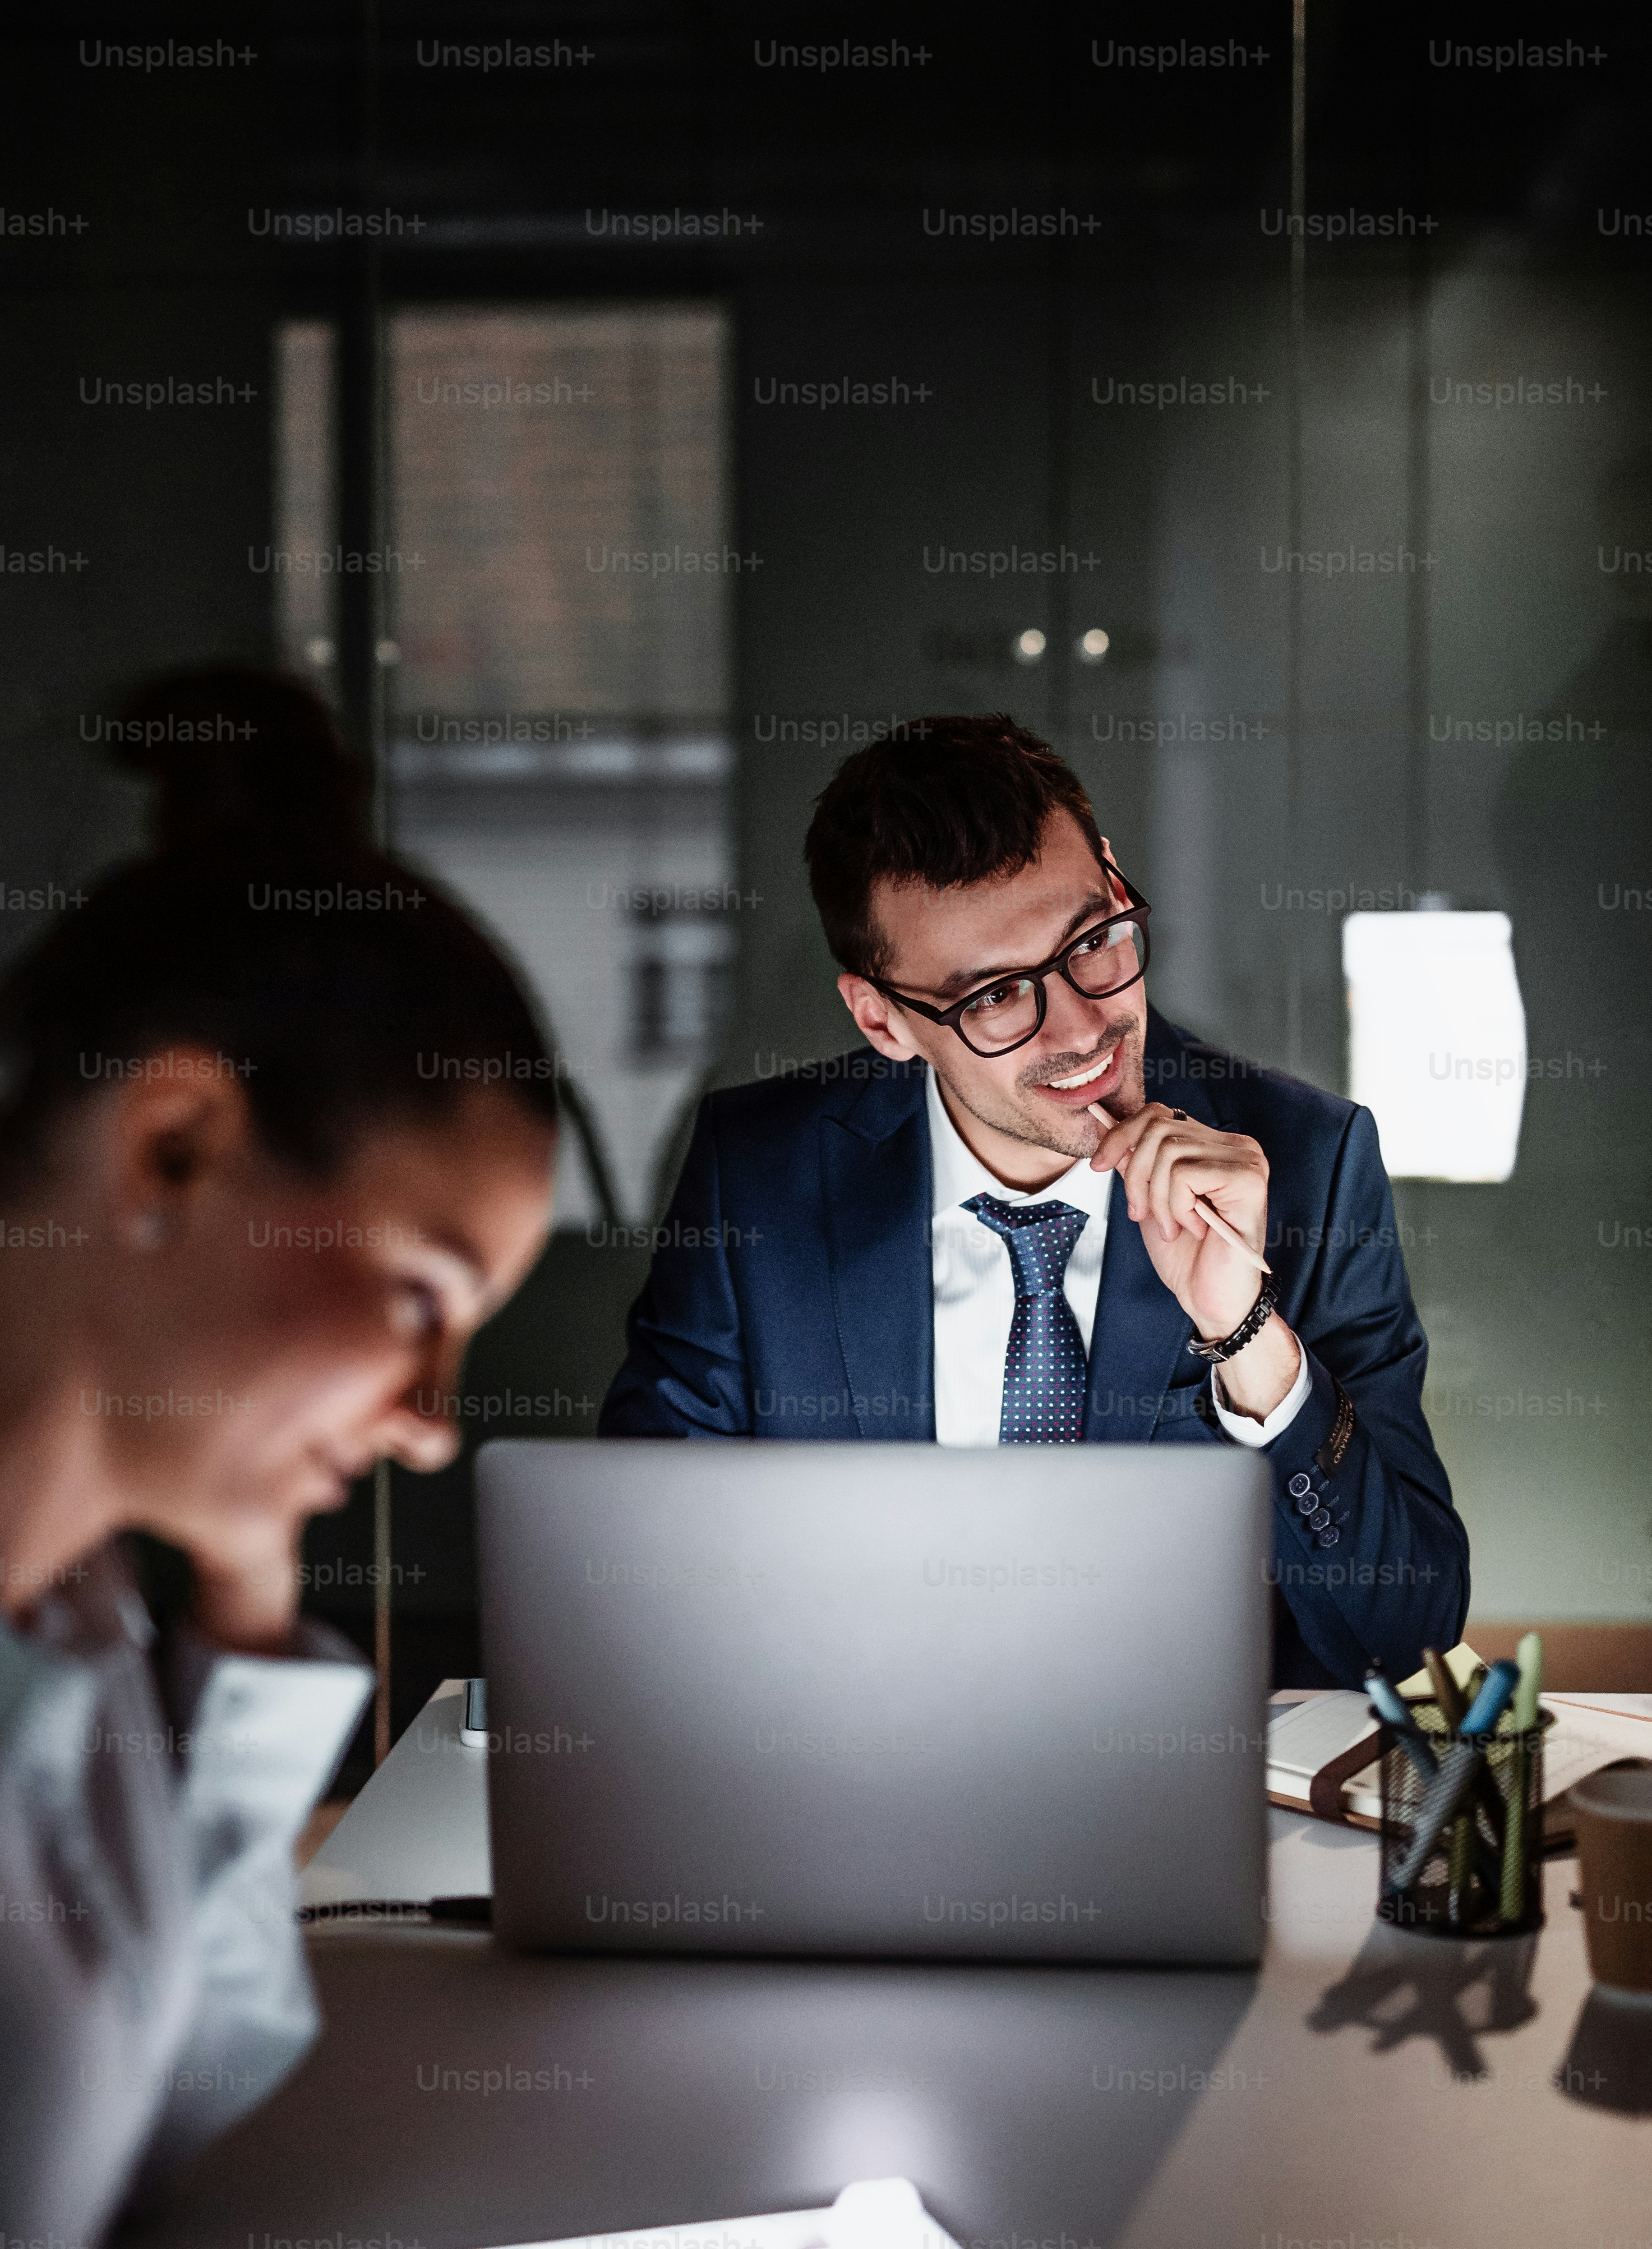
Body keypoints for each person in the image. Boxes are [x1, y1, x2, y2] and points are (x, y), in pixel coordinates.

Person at [0, 670, 558, 2244]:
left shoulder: (75, 1615)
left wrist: (247, 1588)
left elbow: (166, 2094)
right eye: (416, 1297)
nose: (435, 1425)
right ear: (173, 1142)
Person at [600, 714, 1469, 1687]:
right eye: (994, 998)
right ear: (883, 1020)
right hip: (857, 1774)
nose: (1086, 1024)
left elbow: (1407, 1638)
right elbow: (647, 1587)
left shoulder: (1307, 1158)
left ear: (1109, 873)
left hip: (1188, 1790)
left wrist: (1247, 1334)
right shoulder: (753, 1176)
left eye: (1091, 940)